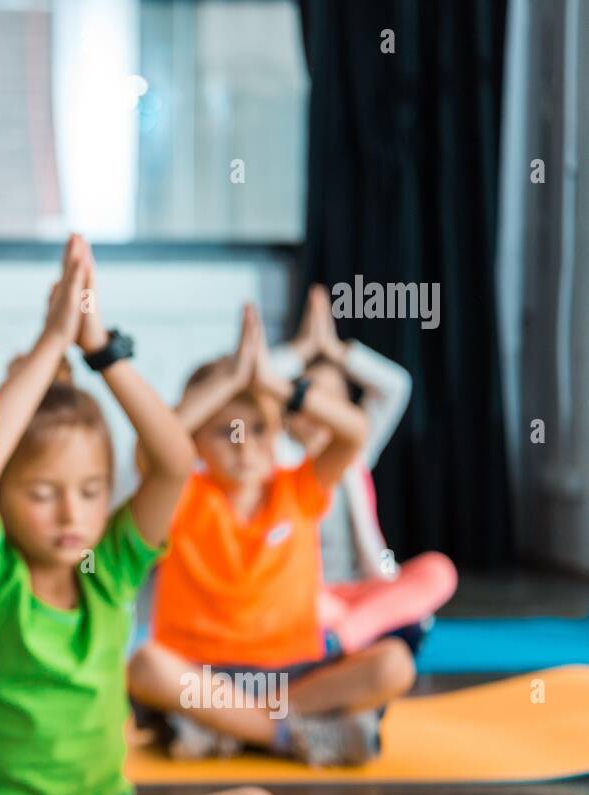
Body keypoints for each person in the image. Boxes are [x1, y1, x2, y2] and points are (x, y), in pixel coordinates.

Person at [0, 236, 287, 795]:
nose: (73, 514)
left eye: (91, 492)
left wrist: (100, 350)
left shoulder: (111, 569)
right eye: (43, 493)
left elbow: (175, 461)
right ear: (6, 496)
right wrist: (52, 341)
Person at [127, 306, 417, 766]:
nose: (244, 445)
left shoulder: (298, 488)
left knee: (394, 664)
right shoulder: (183, 494)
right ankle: (286, 734)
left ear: (278, 430)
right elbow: (150, 447)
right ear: (195, 440)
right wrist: (228, 381)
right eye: (225, 432)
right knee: (146, 666)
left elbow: (353, 431)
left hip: (293, 675)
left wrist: (275, 384)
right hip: (204, 675)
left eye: (258, 429)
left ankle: (227, 730)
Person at [273, 285, 457, 656]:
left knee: (439, 571)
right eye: (309, 398)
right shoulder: (280, 459)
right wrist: (303, 349)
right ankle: (375, 629)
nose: (319, 410)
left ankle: (343, 638)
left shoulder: (355, 457)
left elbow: (396, 386)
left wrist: (337, 351)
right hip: (309, 593)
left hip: (363, 589)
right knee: (302, 606)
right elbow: (254, 384)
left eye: (331, 399)